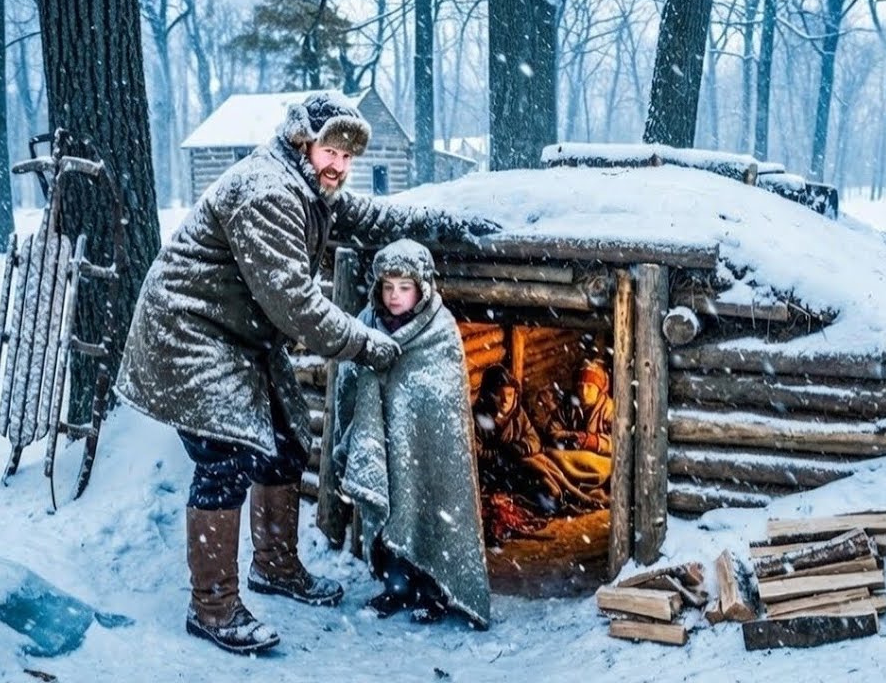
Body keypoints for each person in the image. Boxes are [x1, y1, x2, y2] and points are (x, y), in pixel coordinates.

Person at [115, 91, 499, 654]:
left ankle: (274, 567)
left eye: (348, 157)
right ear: (302, 140)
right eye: (331, 151)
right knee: (227, 458)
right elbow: (296, 305)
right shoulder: (268, 192)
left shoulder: (312, 187)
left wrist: (442, 223)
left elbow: (372, 217)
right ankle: (212, 607)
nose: (339, 166)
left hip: (237, 333)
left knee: (286, 444)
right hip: (189, 334)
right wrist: (370, 345)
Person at [328, 239, 490, 629]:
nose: (395, 296)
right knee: (391, 509)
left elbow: (442, 400)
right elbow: (349, 381)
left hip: (428, 449)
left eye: (404, 287)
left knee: (433, 506)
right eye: (388, 287)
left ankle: (436, 591)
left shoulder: (440, 330)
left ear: (421, 288)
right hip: (382, 442)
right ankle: (397, 587)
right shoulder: (366, 323)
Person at [471, 365, 598, 514]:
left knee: (541, 461)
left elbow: (534, 438)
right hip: (498, 473)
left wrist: (521, 448)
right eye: (499, 395)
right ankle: (567, 497)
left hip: (521, 462)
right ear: (489, 394)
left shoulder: (517, 413)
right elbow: (476, 455)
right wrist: (503, 454)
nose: (506, 400)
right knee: (541, 479)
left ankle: (571, 493)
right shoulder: (477, 418)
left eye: (510, 394)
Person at [542, 359, 616, 500]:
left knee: (578, 460)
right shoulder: (569, 406)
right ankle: (575, 486)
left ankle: (579, 486)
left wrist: (593, 441)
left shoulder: (610, 409)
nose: (584, 391)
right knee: (551, 455)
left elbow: (623, 443)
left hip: (600, 460)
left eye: (589, 386)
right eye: (580, 386)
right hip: (573, 455)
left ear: (600, 388)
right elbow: (552, 429)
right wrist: (570, 436)